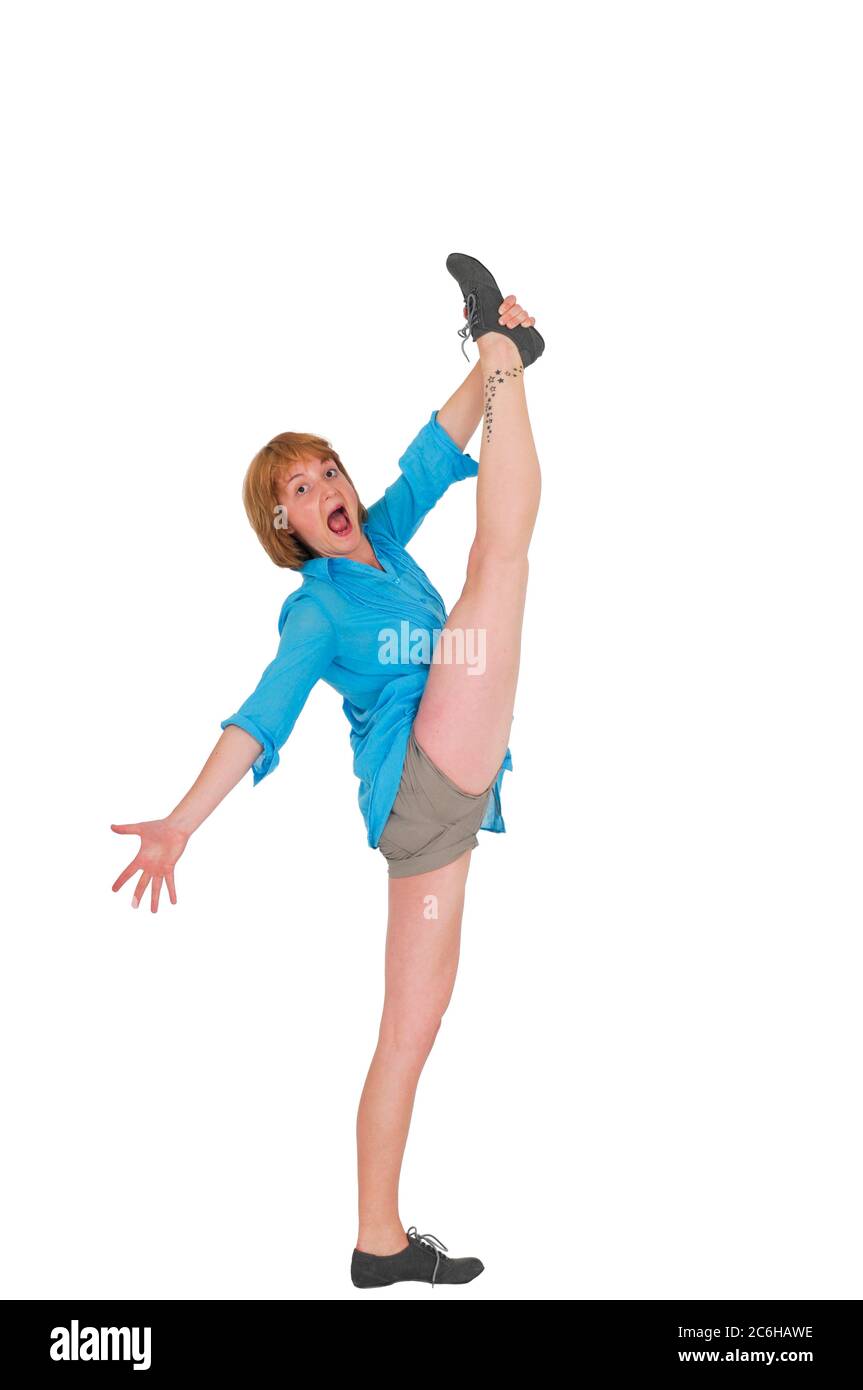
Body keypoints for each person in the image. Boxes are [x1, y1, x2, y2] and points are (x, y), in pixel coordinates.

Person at [111, 253, 544, 1289]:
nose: (326, 491)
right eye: (299, 489)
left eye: (327, 472)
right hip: (421, 771)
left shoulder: (382, 548)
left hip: (432, 814)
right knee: (500, 564)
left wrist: (487, 380)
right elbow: (259, 719)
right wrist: (180, 822)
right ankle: (507, 353)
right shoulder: (315, 607)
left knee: (410, 1028)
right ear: (285, 525)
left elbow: (436, 454)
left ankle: (376, 1245)